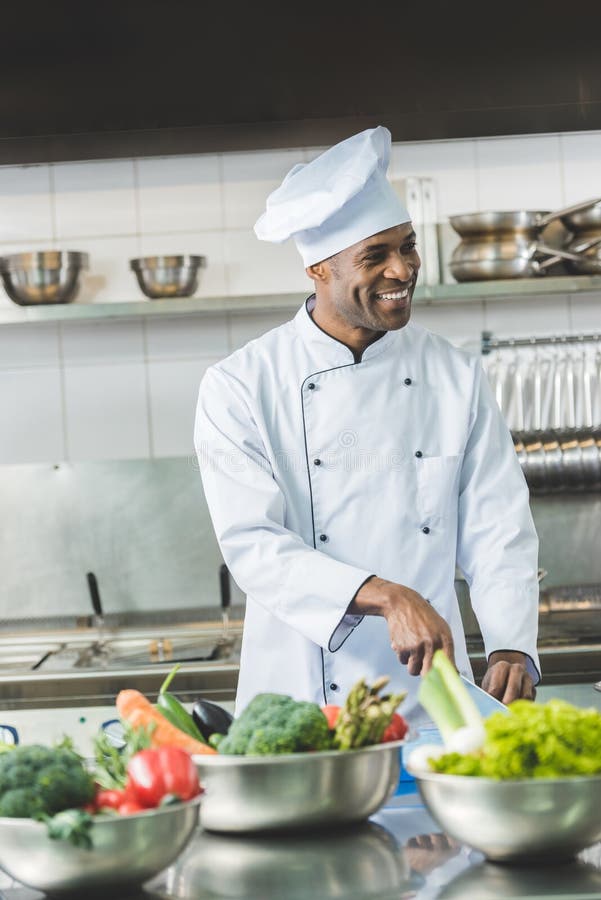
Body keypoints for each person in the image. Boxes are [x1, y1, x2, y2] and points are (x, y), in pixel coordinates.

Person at [195, 126, 540, 722]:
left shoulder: (454, 375)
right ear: (319, 271)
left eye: (407, 247)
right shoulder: (240, 385)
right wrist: (387, 595)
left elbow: (497, 523)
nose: (403, 270)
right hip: (304, 698)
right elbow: (253, 545)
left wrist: (512, 641)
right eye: (375, 256)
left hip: (433, 701)